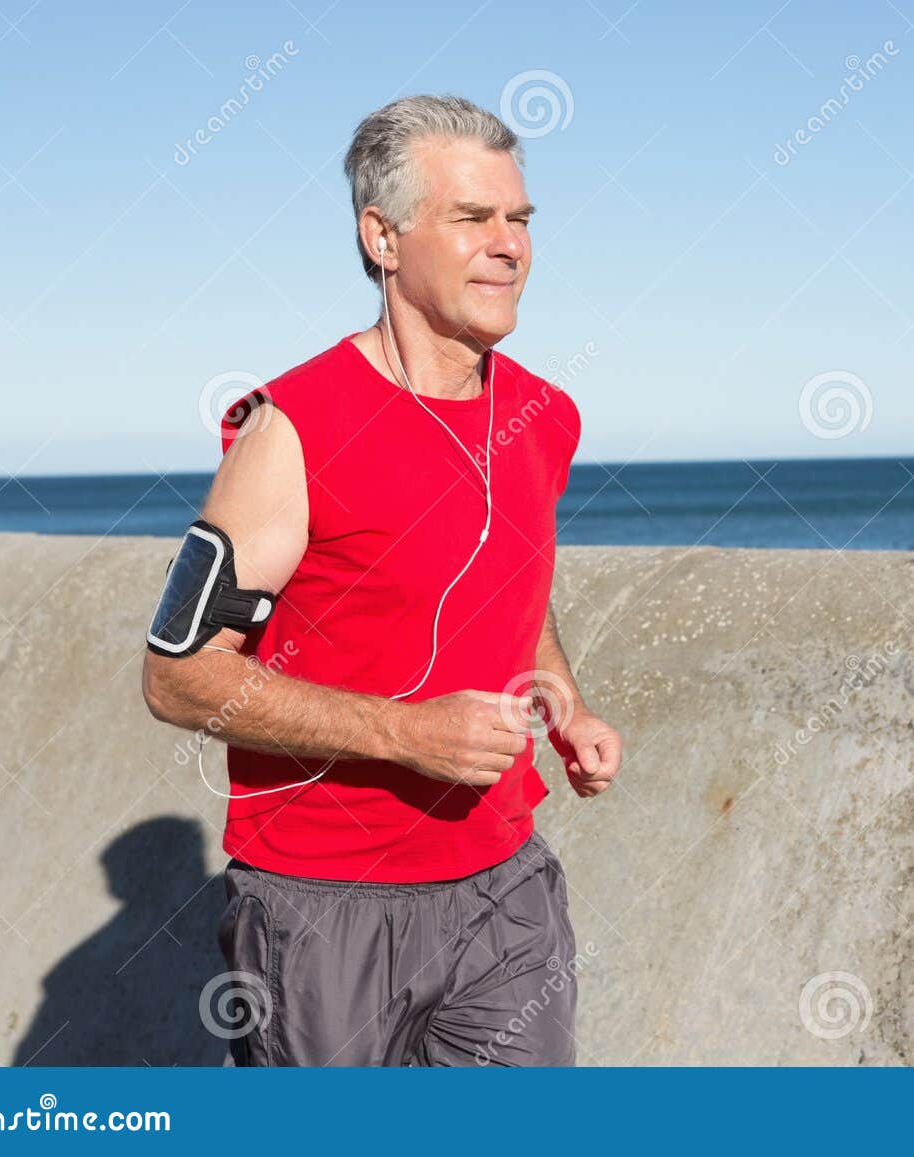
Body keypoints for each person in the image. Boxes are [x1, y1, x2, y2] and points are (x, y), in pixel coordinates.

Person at [141, 93, 622, 1067]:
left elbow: (506, 577)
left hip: (505, 887)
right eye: (471, 217)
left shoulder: (546, 416)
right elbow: (178, 674)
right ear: (384, 236)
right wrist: (406, 733)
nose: (508, 245)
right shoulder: (293, 429)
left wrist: (563, 700)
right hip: (324, 907)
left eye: (519, 219)